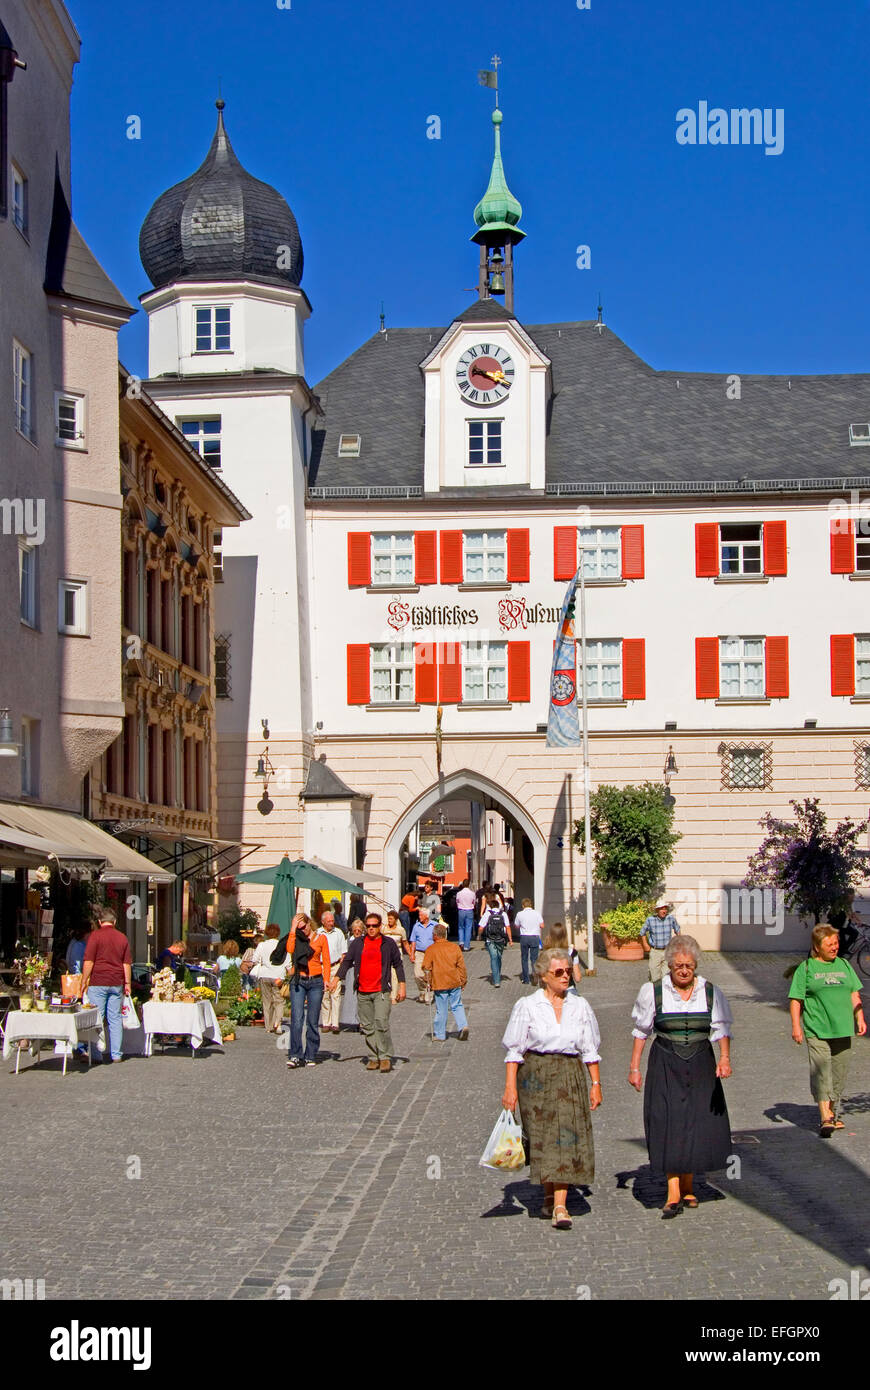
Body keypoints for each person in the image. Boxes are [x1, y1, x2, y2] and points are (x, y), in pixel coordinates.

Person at [628, 935, 732, 1218]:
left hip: (701, 1063)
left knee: (696, 1122)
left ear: (695, 965)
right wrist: (634, 1067)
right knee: (669, 1121)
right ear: (669, 965)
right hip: (666, 1061)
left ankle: (688, 1186)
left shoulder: (710, 992)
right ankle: (673, 1192)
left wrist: (724, 1058)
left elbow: (721, 1029)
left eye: (688, 966)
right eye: (678, 966)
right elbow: (641, 1031)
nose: (684, 971)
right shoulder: (653, 992)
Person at [501, 948, 602, 1230]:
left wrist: (596, 1083)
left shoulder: (580, 1006)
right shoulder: (527, 1005)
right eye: (559, 972)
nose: (565, 976)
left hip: (570, 1075)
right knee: (542, 1138)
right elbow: (514, 1050)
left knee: (566, 1137)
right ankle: (548, 1195)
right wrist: (510, 1088)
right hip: (535, 1077)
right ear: (544, 976)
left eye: (568, 971)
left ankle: (560, 1204)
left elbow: (590, 1048)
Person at [789, 923, 866, 1136]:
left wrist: (860, 1017)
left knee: (839, 1073)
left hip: (843, 1028)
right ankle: (825, 1116)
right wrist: (797, 1026)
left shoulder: (844, 965)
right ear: (817, 946)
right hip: (817, 1029)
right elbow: (796, 1000)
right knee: (822, 1071)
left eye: (836, 943)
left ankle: (832, 1113)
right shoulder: (806, 969)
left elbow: (854, 994)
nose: (835, 947)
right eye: (829, 944)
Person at [335, 912, 405, 1072]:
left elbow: (398, 964)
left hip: (381, 990)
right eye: (369, 926)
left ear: (380, 926)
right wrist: (336, 979)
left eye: (374, 926)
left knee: (381, 1022)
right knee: (367, 1026)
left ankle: (385, 1057)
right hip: (363, 991)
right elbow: (347, 962)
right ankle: (374, 1056)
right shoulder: (358, 944)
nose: (371, 928)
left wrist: (402, 985)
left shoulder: (388, 943)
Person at [80, 905, 132, 1065]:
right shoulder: (122, 937)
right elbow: (126, 963)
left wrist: (83, 981)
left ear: (99, 921)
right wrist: (127, 983)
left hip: (98, 981)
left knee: (97, 1018)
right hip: (116, 982)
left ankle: (96, 1054)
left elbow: (89, 961)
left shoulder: (95, 936)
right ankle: (116, 1054)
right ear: (114, 921)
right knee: (115, 1018)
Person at [285, 913, 333, 1069]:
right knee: (297, 1018)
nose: (302, 930)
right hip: (299, 980)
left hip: (316, 981)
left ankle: (310, 1054)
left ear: (309, 924)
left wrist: (326, 980)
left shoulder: (320, 938)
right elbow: (289, 949)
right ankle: (295, 1054)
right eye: (299, 928)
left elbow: (326, 961)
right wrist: (293, 929)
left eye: (303, 927)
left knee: (312, 1020)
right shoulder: (297, 939)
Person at [422, 923, 469, 1041]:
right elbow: (461, 966)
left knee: (441, 1009)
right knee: (457, 1005)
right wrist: (463, 981)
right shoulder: (454, 947)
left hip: (440, 983)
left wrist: (428, 982)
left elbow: (426, 968)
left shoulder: (431, 949)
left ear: (435, 936)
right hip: (454, 981)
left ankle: (440, 1034)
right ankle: (463, 1026)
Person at [250, 925, 286, 1034]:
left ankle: (268, 1027)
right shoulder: (281, 945)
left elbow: (255, 960)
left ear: (266, 933)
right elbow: (286, 961)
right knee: (279, 1001)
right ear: (278, 933)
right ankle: (278, 1024)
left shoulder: (262, 945)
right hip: (278, 975)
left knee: (267, 1001)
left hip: (264, 974)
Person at [318, 911, 347, 1035]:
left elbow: (343, 952)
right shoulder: (318, 933)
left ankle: (335, 1023)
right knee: (325, 995)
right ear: (323, 922)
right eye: (329, 921)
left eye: (332, 921)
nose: (331, 923)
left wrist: (341, 966)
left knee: (335, 995)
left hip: (335, 966)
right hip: (322, 967)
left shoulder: (338, 933)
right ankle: (326, 1022)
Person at [478, 894, 513, 987]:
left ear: (491, 906)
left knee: (493, 957)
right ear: (498, 906)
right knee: (498, 957)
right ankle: (497, 975)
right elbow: (508, 927)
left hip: (490, 939)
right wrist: (510, 940)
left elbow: (481, 927)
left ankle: (496, 979)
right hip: (501, 939)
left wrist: (479, 935)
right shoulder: (503, 914)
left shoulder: (487, 914)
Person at [640, 899, 680, 982]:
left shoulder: (670, 918)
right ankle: (654, 992)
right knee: (654, 976)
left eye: (665, 909)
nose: (664, 911)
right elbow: (642, 932)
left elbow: (677, 929)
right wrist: (645, 944)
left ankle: (665, 993)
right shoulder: (650, 920)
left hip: (667, 951)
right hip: (655, 951)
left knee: (666, 976)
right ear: (657, 910)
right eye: (662, 909)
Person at [339, 920, 364, 1029]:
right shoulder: (348, 940)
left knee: (362, 995)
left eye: (359, 930)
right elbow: (344, 955)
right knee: (351, 995)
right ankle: (351, 1020)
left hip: (362, 969)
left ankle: (362, 1021)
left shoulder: (365, 940)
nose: (357, 932)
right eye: (355, 930)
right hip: (351, 969)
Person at [542, 923, 583, 990]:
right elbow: (577, 978)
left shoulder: (546, 953)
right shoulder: (572, 952)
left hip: (551, 989)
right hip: (568, 988)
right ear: (565, 936)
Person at [408, 907, 436, 1003]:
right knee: (418, 974)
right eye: (419, 915)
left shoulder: (435, 925)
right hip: (419, 952)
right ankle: (423, 990)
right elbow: (413, 941)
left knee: (429, 974)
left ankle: (429, 994)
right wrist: (412, 954)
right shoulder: (416, 926)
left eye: (421, 915)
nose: (419, 917)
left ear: (427, 916)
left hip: (431, 953)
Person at [382, 910, 410, 1004]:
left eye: (391, 918)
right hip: (385, 954)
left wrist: (410, 954)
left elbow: (405, 943)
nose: (389, 920)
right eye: (388, 918)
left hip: (397, 954)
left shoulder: (401, 930)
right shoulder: (383, 929)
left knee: (394, 976)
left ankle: (393, 996)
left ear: (396, 919)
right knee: (386, 973)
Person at [515, 897, 545, 984]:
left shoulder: (519, 914)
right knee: (534, 958)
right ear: (531, 904)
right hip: (534, 937)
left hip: (524, 937)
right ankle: (535, 976)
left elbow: (516, 925)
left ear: (523, 905)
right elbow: (542, 925)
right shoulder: (536, 913)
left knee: (524, 958)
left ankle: (526, 979)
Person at [455, 879, 476, 952]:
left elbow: (457, 902)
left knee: (461, 927)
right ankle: (467, 946)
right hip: (469, 910)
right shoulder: (472, 893)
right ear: (469, 884)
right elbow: (474, 902)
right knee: (468, 928)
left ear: (463, 885)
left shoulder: (459, 893)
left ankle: (461, 942)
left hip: (461, 910)